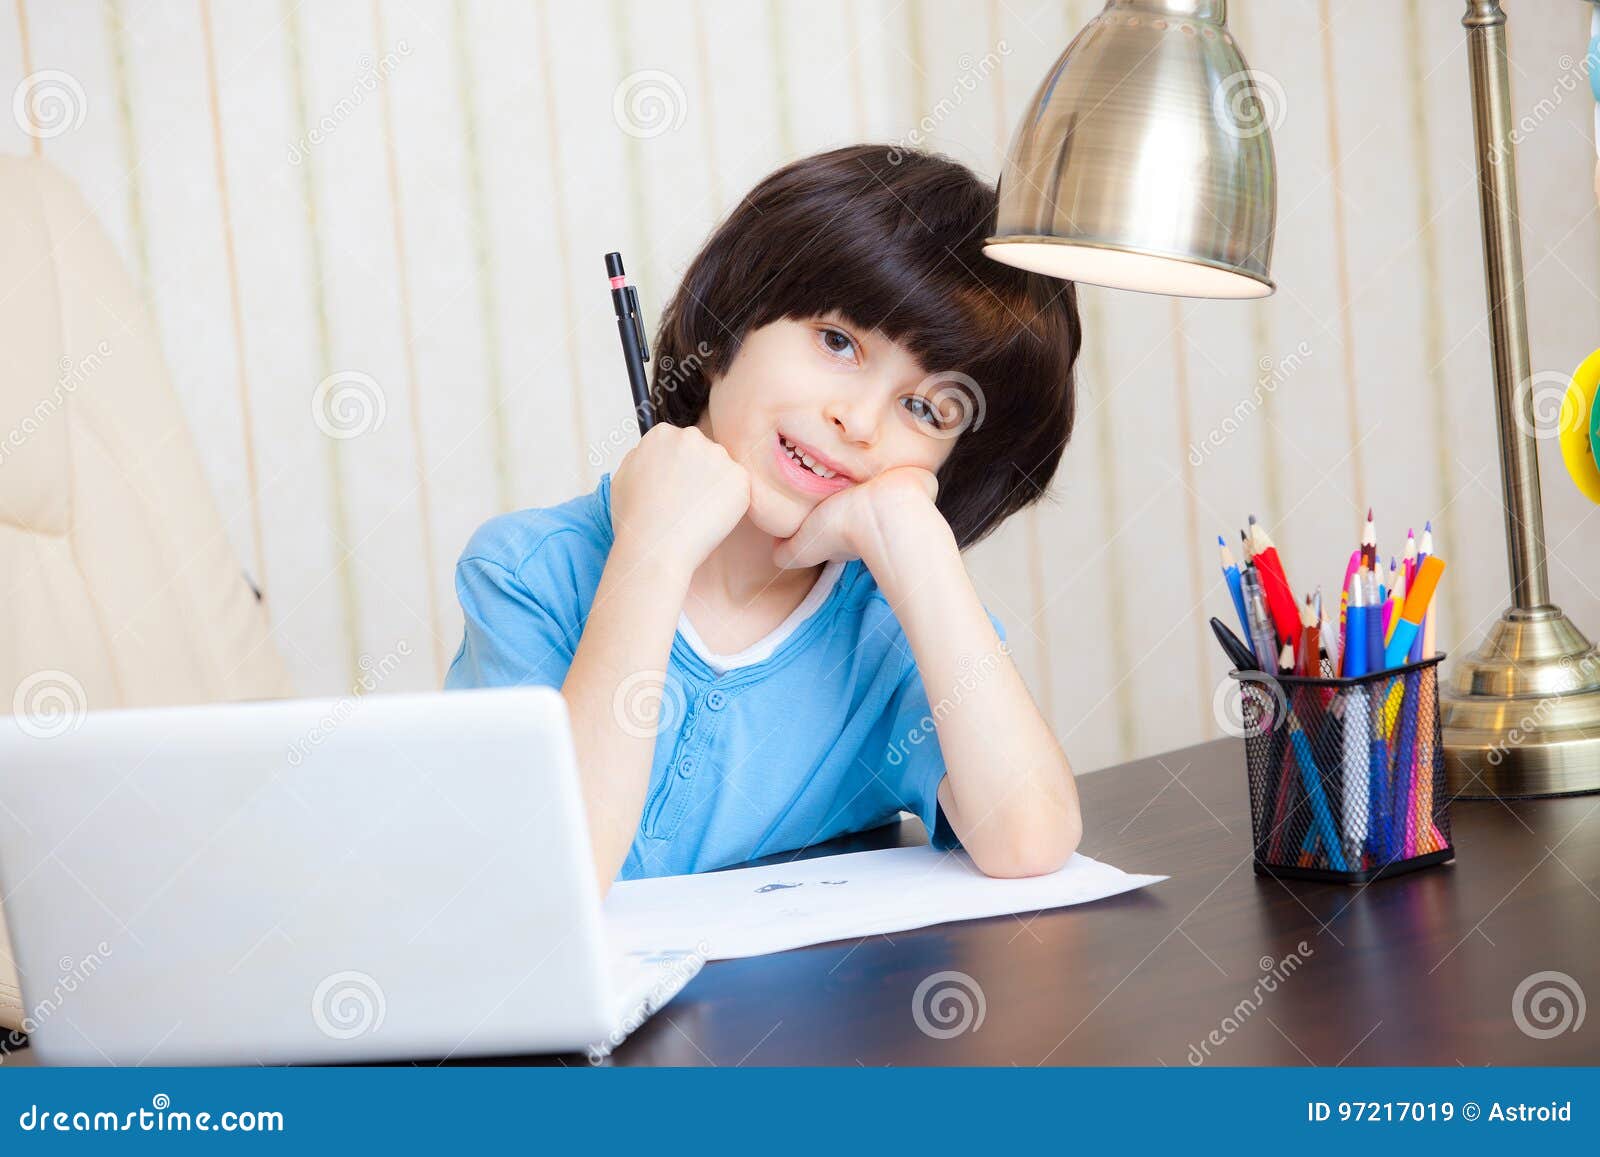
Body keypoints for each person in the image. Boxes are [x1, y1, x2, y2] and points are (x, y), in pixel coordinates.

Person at [447, 144, 1083, 893]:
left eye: (923, 409)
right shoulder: (527, 575)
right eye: (838, 342)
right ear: (729, 333)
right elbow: (555, 876)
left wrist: (921, 551)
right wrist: (652, 553)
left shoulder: (894, 621)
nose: (857, 419)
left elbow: (1030, 837)